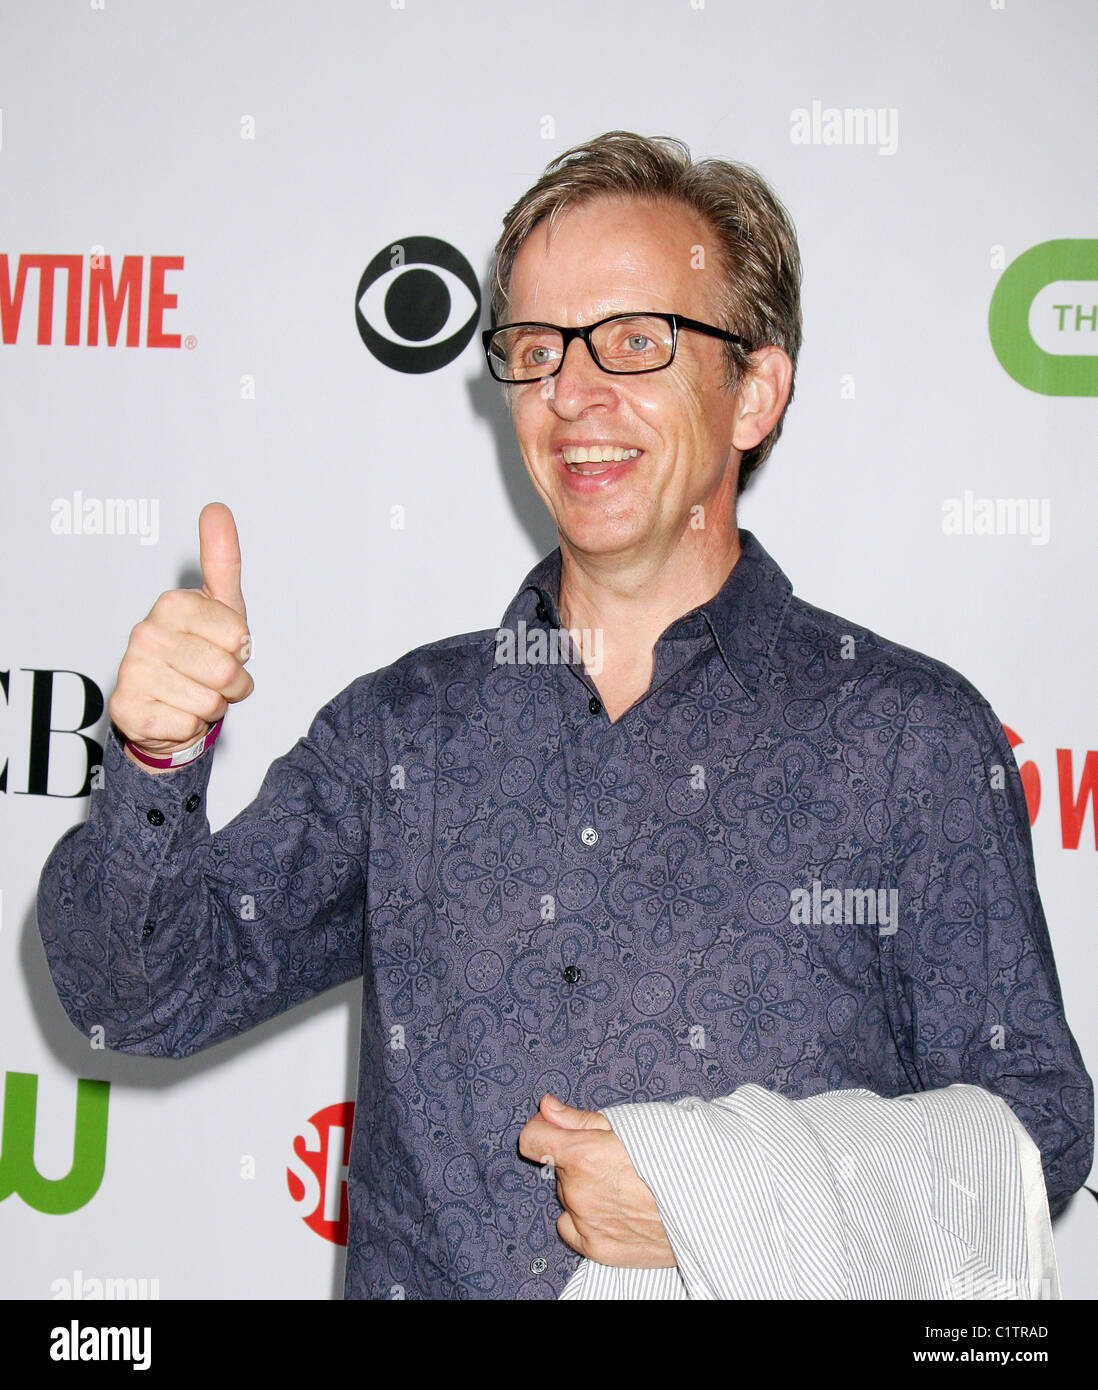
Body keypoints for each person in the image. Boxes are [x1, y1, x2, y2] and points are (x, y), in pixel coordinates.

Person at [37, 130, 1093, 1299]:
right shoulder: (405, 734)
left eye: (637, 341)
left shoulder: (911, 739)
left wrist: (722, 1199)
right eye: (536, 348)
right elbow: (138, 996)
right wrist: (155, 755)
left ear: (756, 390)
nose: (572, 393)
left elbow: (1033, 1135)